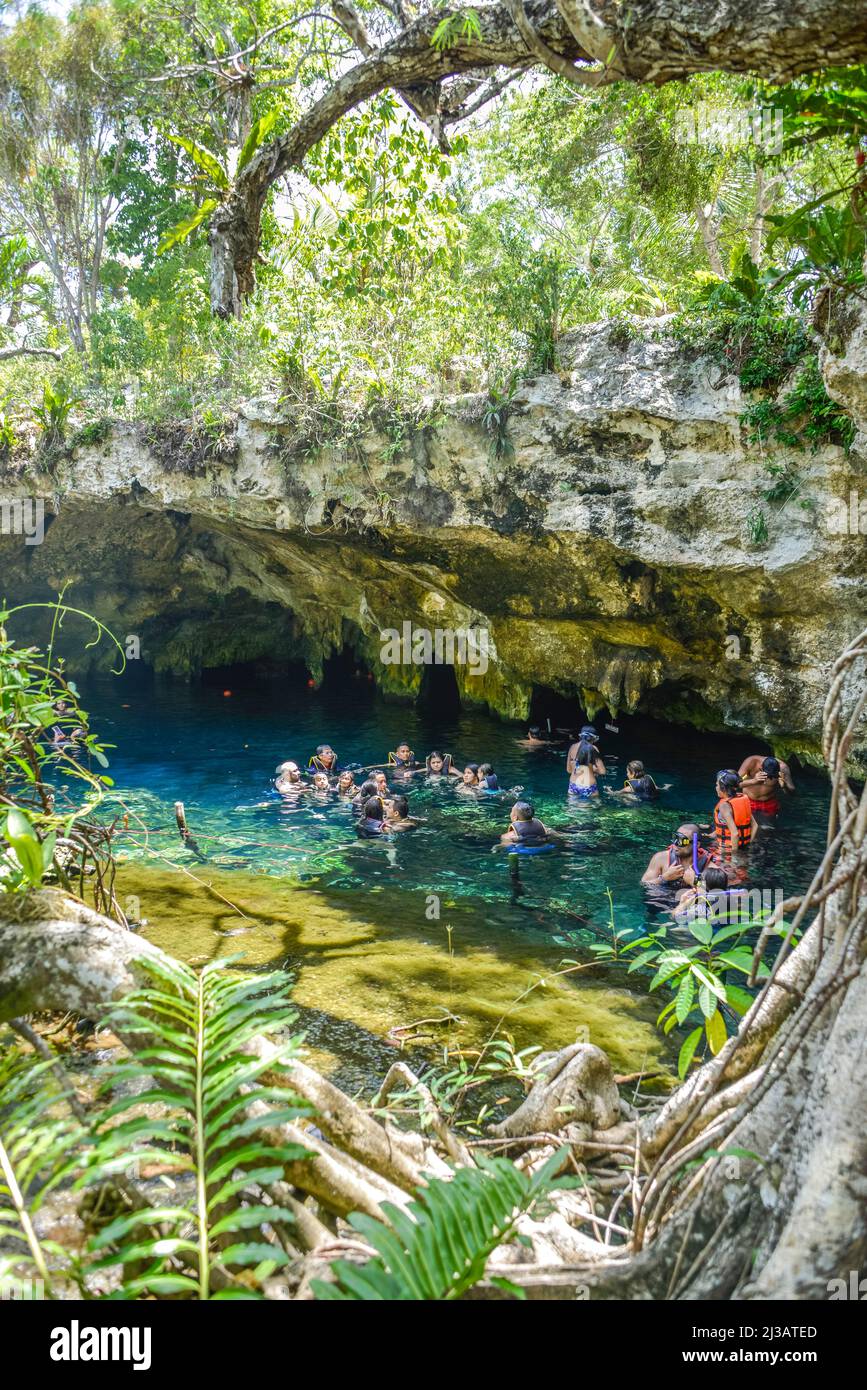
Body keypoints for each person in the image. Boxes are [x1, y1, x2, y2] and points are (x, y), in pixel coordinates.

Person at [641, 824, 722, 887]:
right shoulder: (660, 859)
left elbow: (716, 893)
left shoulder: (708, 866)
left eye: (682, 841)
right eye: (675, 838)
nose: (675, 844)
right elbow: (644, 884)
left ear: (696, 844)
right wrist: (664, 878)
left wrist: (694, 881)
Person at [672, 865, 751, 925]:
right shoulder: (731, 903)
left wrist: (682, 904)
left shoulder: (699, 910)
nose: (696, 885)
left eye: (698, 882)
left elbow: (675, 917)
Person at [713, 770, 758, 854]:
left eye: (717, 785)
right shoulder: (741, 799)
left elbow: (735, 834)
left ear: (723, 788)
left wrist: (734, 857)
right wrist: (749, 844)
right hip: (744, 846)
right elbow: (755, 825)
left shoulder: (724, 806)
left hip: (728, 849)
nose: (716, 788)